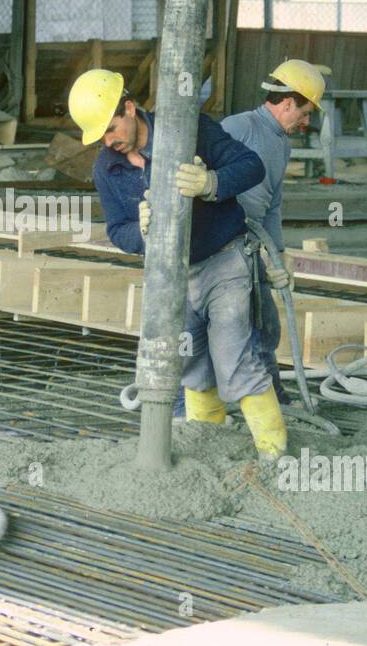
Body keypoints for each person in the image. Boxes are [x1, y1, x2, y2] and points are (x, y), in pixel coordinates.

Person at [69, 68, 287, 462]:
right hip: (172, 277)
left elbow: (251, 166)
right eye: (100, 135)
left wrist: (211, 183)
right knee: (193, 365)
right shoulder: (108, 167)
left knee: (235, 357)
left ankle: (273, 457)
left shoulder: (192, 130)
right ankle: (209, 449)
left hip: (225, 262)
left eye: (112, 128)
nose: (108, 141)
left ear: (130, 108)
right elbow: (118, 230)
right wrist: (142, 233)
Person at [221, 59, 325, 405]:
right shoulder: (240, 127)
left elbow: (274, 204)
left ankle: (270, 394)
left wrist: (279, 258)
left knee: (266, 325)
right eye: (305, 112)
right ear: (286, 103)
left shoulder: (282, 144)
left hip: (252, 248)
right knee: (231, 325)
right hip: (221, 246)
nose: (306, 122)